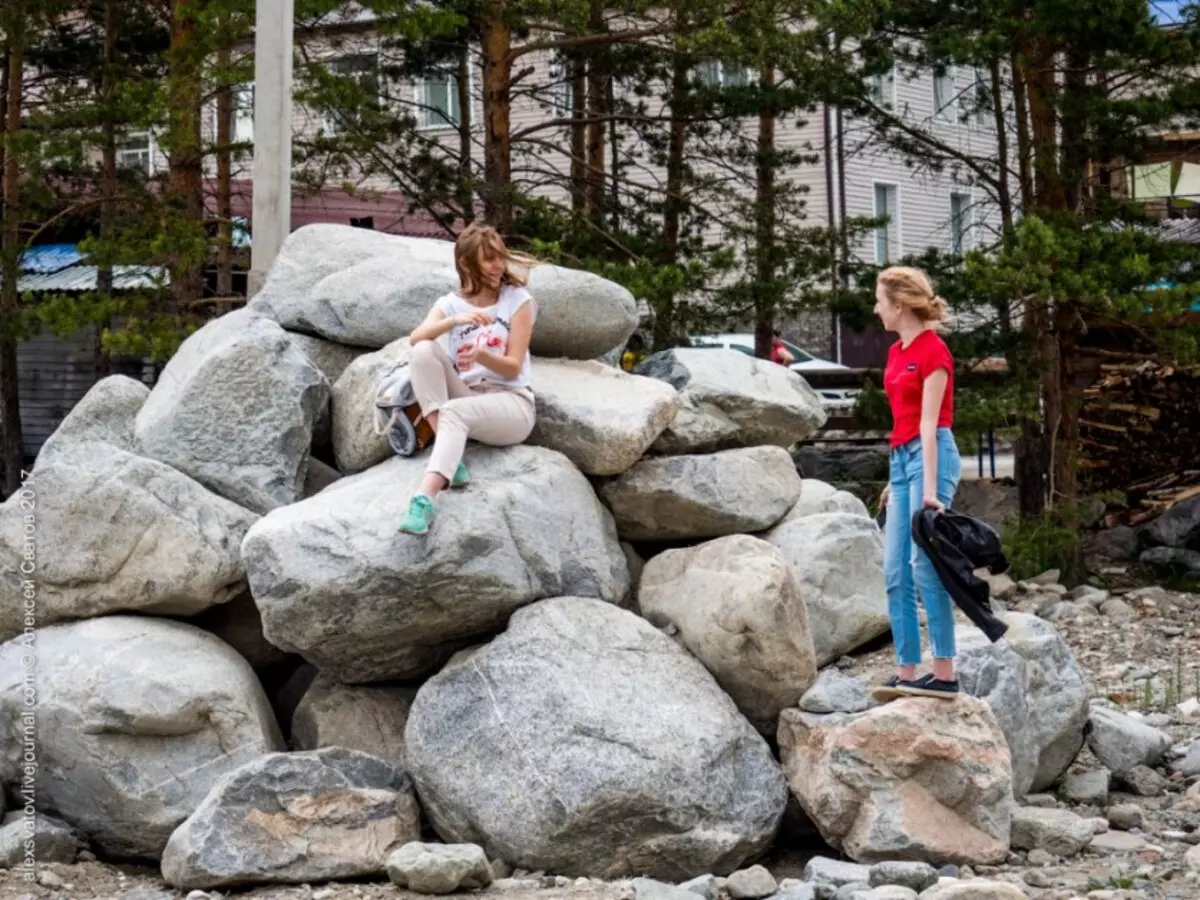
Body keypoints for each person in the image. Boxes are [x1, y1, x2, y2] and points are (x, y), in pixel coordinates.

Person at [396, 223, 538, 535]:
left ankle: (424, 498)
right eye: (489, 259)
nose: (498, 265)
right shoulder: (451, 303)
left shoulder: (518, 300)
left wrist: (481, 355)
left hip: (512, 404)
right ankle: (451, 459)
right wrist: (454, 320)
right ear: (465, 263)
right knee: (423, 351)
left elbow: (513, 367)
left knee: (454, 411)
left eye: (500, 257)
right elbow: (416, 337)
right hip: (469, 396)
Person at [869, 266, 963, 701]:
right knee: (893, 571)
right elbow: (901, 423)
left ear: (899, 304)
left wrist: (927, 489)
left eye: (880, 300)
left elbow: (929, 425)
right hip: (902, 459)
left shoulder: (934, 353)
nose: (876, 308)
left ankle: (943, 672)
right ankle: (907, 671)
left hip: (932, 457)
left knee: (924, 565)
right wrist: (894, 480)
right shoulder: (896, 352)